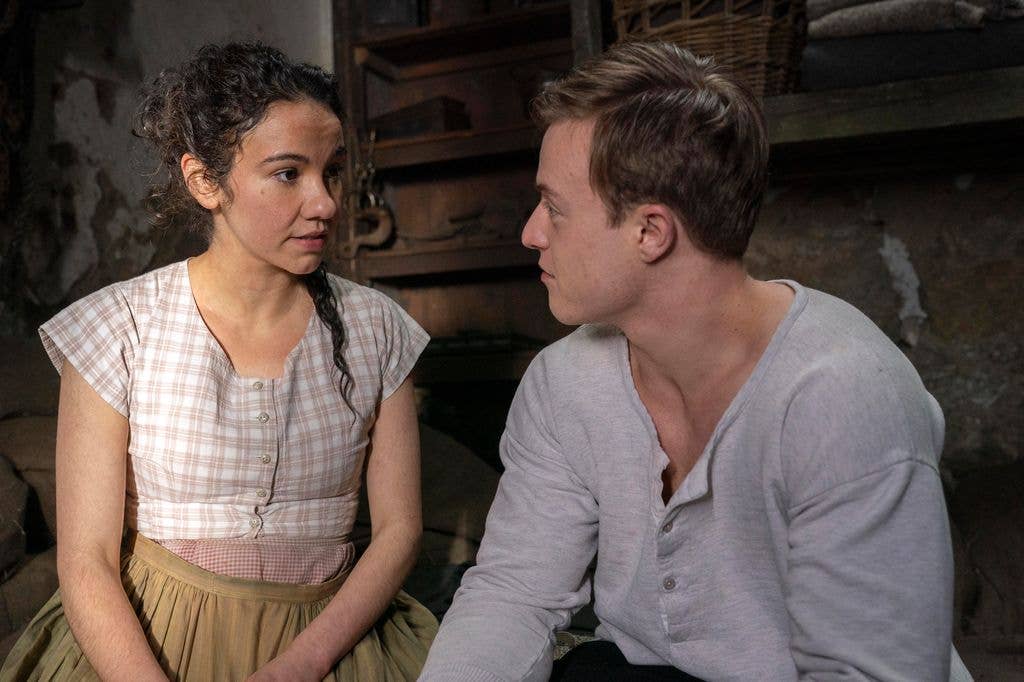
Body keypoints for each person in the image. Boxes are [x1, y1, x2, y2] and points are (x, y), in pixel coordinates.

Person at [419, 41, 957, 681]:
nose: (531, 233)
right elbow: (513, 593)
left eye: (555, 209)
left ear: (650, 232)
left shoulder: (843, 394)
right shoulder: (565, 380)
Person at [1, 43, 435, 681]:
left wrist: (301, 665)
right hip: (149, 647)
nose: (325, 202)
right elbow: (86, 560)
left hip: (330, 641)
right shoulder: (117, 329)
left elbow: (400, 531)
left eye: (333, 172)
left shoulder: (378, 329)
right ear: (205, 180)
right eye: (288, 174)